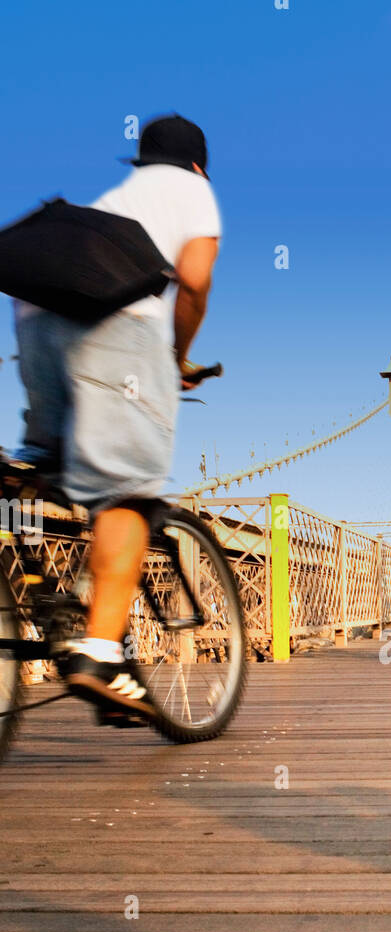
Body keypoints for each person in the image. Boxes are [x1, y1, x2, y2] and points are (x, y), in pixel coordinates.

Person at [13, 114, 221, 720]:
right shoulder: (194, 190)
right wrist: (176, 358)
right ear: (199, 164)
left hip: (36, 314)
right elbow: (196, 283)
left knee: (51, 462)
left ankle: (45, 595)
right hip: (117, 319)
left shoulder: (112, 199)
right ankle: (100, 651)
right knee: (126, 490)